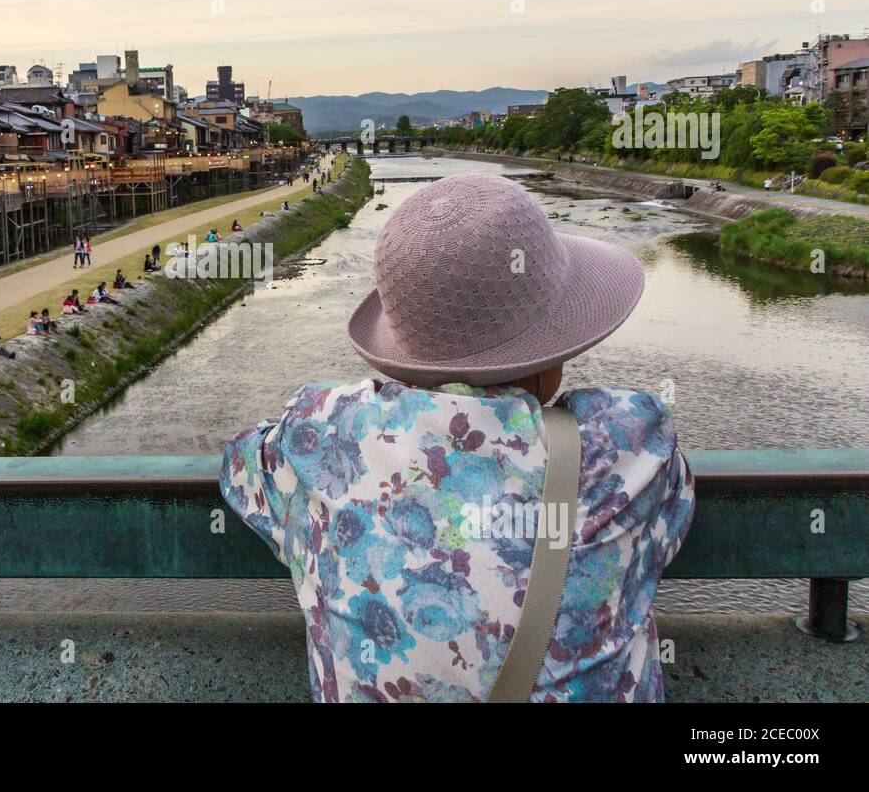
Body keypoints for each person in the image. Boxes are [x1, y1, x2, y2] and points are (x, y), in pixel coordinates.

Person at [219, 174, 694, 703]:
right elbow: (666, 535)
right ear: (558, 339)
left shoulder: (321, 432)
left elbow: (239, 467)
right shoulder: (627, 442)